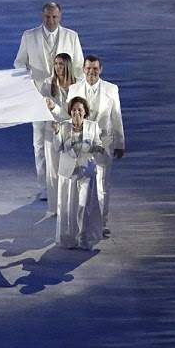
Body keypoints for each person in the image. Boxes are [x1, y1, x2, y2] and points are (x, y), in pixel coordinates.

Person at [13, 2, 85, 200]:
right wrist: (27, 81)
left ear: (60, 17)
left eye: (54, 17)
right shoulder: (29, 36)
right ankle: (45, 186)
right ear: (42, 16)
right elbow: (19, 63)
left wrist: (76, 95)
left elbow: (79, 67)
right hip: (38, 96)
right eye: (47, 17)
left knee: (67, 140)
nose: (51, 21)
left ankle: (67, 182)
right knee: (40, 142)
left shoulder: (71, 36)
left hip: (64, 97)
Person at [66, 55, 125, 236]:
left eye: (95, 69)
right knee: (81, 184)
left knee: (102, 184)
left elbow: (116, 117)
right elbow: (68, 117)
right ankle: (82, 223)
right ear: (83, 69)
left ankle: (101, 223)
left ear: (101, 70)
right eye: (88, 68)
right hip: (80, 143)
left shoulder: (111, 89)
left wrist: (120, 142)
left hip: (104, 142)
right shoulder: (74, 89)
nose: (91, 72)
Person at [55, 97, 105, 250]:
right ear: (70, 111)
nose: (76, 113)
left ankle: (83, 237)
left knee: (84, 205)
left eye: (80, 110)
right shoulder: (63, 126)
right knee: (69, 207)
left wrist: (98, 148)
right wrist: (56, 133)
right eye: (74, 110)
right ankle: (68, 238)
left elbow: (98, 144)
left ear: (85, 112)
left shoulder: (93, 126)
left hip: (86, 170)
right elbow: (58, 147)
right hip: (68, 171)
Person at [41, 53, 77, 216]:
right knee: (52, 170)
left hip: (71, 132)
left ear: (68, 66)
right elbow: (41, 109)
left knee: (70, 170)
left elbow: (72, 113)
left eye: (61, 64)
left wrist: (54, 109)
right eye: (56, 64)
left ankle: (69, 205)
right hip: (52, 132)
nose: (58, 67)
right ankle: (53, 207)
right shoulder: (48, 83)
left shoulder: (77, 85)